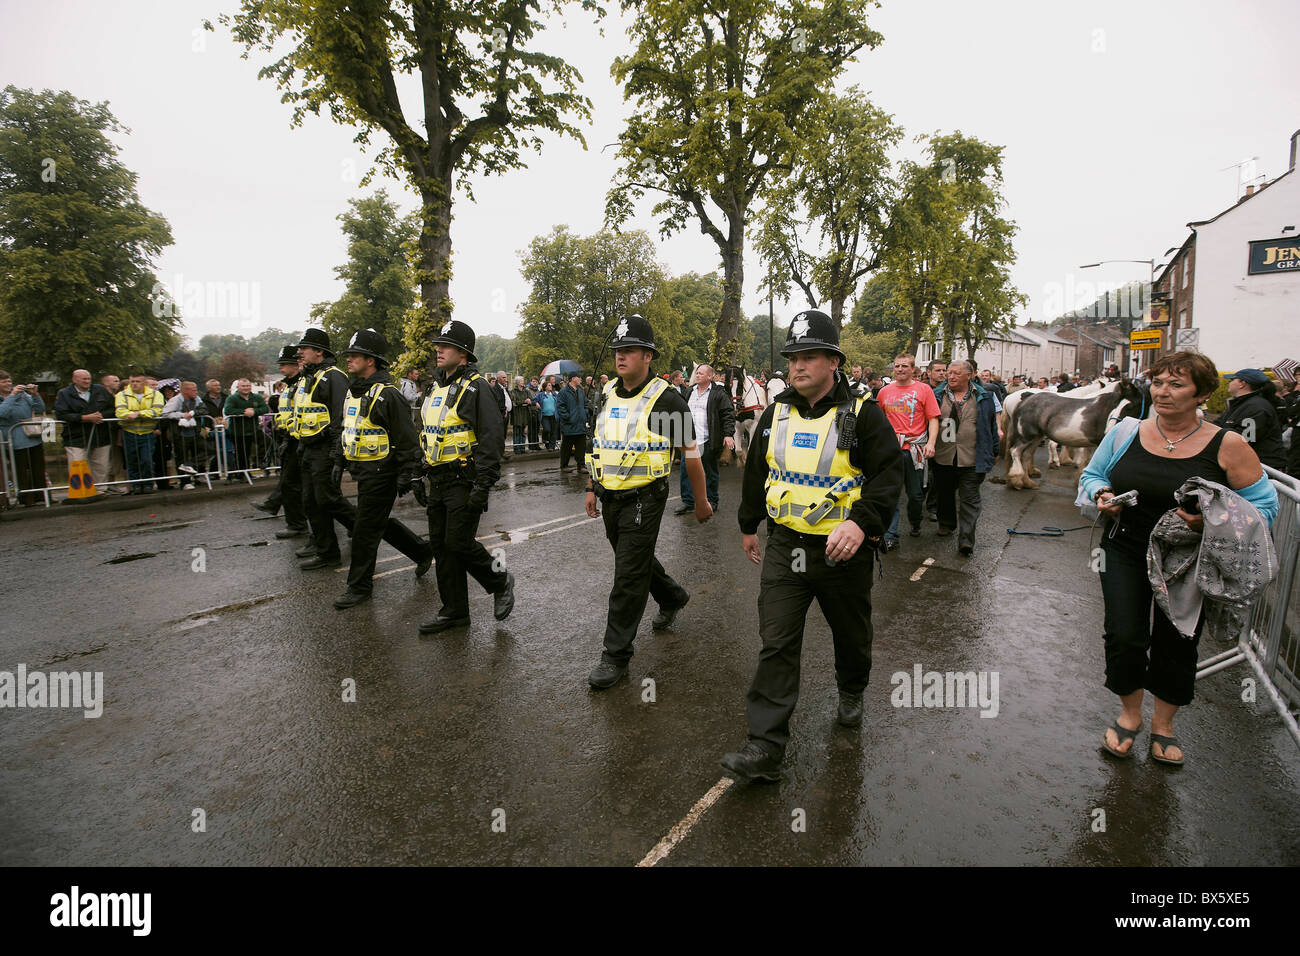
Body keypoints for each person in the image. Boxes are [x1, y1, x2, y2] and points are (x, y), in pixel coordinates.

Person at [720, 309, 903, 782]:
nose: (798, 366)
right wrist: (747, 524)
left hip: (843, 553)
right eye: (793, 357)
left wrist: (862, 524)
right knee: (776, 642)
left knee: (850, 632)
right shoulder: (774, 414)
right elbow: (758, 473)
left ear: (833, 362)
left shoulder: (864, 415)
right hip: (786, 546)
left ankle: (852, 688)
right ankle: (764, 747)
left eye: (809, 356)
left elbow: (888, 476)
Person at [1080, 351, 1278, 767]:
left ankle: (1164, 726)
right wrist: (1101, 496)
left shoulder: (1228, 444)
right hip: (1126, 549)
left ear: (1202, 393)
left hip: (1189, 562)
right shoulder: (1125, 432)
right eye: (1158, 382)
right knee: (1125, 634)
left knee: (1177, 641)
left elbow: (1263, 508)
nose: (1163, 392)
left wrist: (1210, 525)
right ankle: (1129, 714)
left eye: (1176, 385)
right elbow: (1092, 476)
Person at [584, 314, 711, 689]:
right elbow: (598, 445)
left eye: (630, 351)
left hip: (645, 498)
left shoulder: (665, 400)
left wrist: (701, 501)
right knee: (633, 560)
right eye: (618, 351)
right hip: (610, 496)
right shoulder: (607, 393)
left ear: (648, 356)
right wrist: (591, 487)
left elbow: (690, 455)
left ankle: (616, 655)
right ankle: (672, 596)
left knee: (627, 574)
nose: (621, 357)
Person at [415, 320, 514, 633]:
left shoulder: (476, 388)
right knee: (442, 548)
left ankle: (500, 580)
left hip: (464, 478)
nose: (439, 351)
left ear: (464, 354)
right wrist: (419, 472)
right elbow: (430, 434)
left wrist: (483, 484)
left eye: (446, 346)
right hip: (438, 479)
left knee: (458, 542)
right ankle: (454, 611)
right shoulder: (435, 388)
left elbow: (491, 438)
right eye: (438, 346)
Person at [331, 329, 435, 609]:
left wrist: (407, 474)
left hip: (382, 473)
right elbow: (347, 430)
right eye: (349, 355)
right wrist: (339, 461)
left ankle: (359, 587)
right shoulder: (353, 393)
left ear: (371, 360)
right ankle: (421, 550)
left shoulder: (388, 395)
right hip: (362, 472)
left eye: (355, 355)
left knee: (364, 529)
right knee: (373, 523)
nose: (349, 359)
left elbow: (407, 438)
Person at [293, 328, 354, 570]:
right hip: (308, 448)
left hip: (325, 449)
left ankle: (366, 529)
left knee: (327, 499)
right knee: (311, 501)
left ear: (319, 351)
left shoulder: (334, 377)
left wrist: (336, 455)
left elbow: (341, 417)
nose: (300, 352)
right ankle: (326, 551)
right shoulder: (309, 377)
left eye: (304, 348)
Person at [931, 360, 998, 556]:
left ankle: (966, 539)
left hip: (971, 457)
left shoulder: (985, 396)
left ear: (970, 375)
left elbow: (991, 425)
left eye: (956, 373)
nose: (951, 376)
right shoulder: (936, 395)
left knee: (969, 499)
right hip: (943, 454)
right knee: (944, 493)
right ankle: (946, 523)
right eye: (949, 373)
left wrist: (994, 451)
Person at [875, 353, 939, 550]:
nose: (900, 369)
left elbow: (933, 419)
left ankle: (915, 521)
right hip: (891, 451)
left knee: (915, 495)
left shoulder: (924, 390)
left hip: (915, 450)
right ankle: (890, 534)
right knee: (891, 494)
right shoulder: (884, 392)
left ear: (913, 369)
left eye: (904, 366)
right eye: (897, 366)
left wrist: (931, 444)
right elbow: (878, 421)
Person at [253, 347, 310, 538]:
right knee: (291, 483)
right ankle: (295, 522)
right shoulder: (289, 385)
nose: (281, 367)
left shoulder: (302, 384)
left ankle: (297, 523)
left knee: (298, 484)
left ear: (296, 365)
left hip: (300, 438)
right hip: (288, 437)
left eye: (284, 363)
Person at [674, 362, 735, 516]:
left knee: (710, 472)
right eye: (697, 373)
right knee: (686, 472)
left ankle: (712, 500)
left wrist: (728, 434)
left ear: (710, 376)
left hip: (708, 439)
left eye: (701, 373)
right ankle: (688, 502)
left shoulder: (718, 393)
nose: (697, 375)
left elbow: (727, 414)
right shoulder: (689, 392)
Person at [55, 369, 117, 496]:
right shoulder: (64, 393)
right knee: (76, 463)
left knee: (101, 465)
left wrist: (101, 415)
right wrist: (84, 418)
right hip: (75, 436)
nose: (87, 381)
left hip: (100, 435)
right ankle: (80, 492)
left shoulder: (100, 390)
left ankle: (101, 491)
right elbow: (61, 414)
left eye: (89, 379)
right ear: (74, 380)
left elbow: (113, 408)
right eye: (84, 379)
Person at [1216, 368, 1286, 471]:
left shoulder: (1257, 408)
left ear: (1242, 384)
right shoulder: (1240, 404)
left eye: (1232, 380)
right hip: (1252, 464)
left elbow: (1244, 440)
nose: (1229, 383)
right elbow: (1218, 424)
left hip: (1264, 468)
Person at [0, 372, 48, 505]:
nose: (8, 384)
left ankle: (42, 495)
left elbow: (40, 408)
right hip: (12, 439)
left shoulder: (23, 396)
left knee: (38, 467)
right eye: (4, 382)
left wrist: (35, 395)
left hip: (32, 436)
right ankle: (26, 498)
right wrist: (12, 396)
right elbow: (2, 414)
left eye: (9, 381)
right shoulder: (12, 396)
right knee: (20, 470)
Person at [114, 372, 163, 495]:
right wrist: (131, 414)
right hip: (129, 431)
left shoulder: (155, 394)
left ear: (144, 383)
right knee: (132, 460)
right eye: (132, 381)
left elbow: (157, 411)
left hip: (147, 431)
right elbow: (120, 412)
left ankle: (148, 484)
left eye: (137, 381)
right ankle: (136, 485)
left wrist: (138, 414)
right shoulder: (122, 394)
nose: (134, 384)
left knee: (146, 460)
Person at [161, 380, 204, 488]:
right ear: (185, 391)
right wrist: (181, 415)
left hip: (194, 431)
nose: (196, 392)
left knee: (205, 449)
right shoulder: (175, 400)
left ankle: (190, 467)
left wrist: (193, 413)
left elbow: (204, 409)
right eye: (193, 390)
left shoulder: (197, 399)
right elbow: (165, 413)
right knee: (181, 456)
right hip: (180, 433)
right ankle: (185, 482)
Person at [223, 379, 270, 475]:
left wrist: (254, 412)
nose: (246, 388)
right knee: (243, 453)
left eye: (248, 386)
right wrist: (244, 412)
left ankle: (258, 460)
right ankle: (243, 474)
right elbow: (228, 410)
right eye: (243, 386)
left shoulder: (256, 397)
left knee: (267, 441)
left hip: (254, 429)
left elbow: (265, 408)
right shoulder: (232, 398)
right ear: (238, 387)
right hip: (239, 431)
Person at [557, 372, 589, 472]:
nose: (581, 379)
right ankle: (564, 465)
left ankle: (581, 466)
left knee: (581, 446)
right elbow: (560, 406)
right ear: (573, 378)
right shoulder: (563, 392)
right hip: (569, 424)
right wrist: (568, 417)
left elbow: (586, 404)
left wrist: (585, 413)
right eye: (579, 377)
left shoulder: (580, 391)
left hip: (580, 423)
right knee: (567, 446)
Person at [508, 376, 532, 454]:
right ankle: (517, 448)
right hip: (517, 414)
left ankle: (522, 448)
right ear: (517, 382)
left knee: (523, 432)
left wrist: (529, 401)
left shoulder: (526, 391)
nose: (523, 382)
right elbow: (514, 402)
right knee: (517, 432)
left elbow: (531, 399)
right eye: (521, 381)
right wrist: (524, 401)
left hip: (525, 414)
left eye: (523, 380)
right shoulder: (513, 391)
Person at [534, 380, 559, 450]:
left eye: (551, 385)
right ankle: (544, 438)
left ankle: (551, 447)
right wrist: (536, 403)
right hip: (544, 416)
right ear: (545, 387)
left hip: (554, 415)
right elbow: (534, 400)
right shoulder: (541, 394)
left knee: (553, 431)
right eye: (549, 385)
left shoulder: (554, 394)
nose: (550, 386)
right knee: (547, 429)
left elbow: (560, 401)